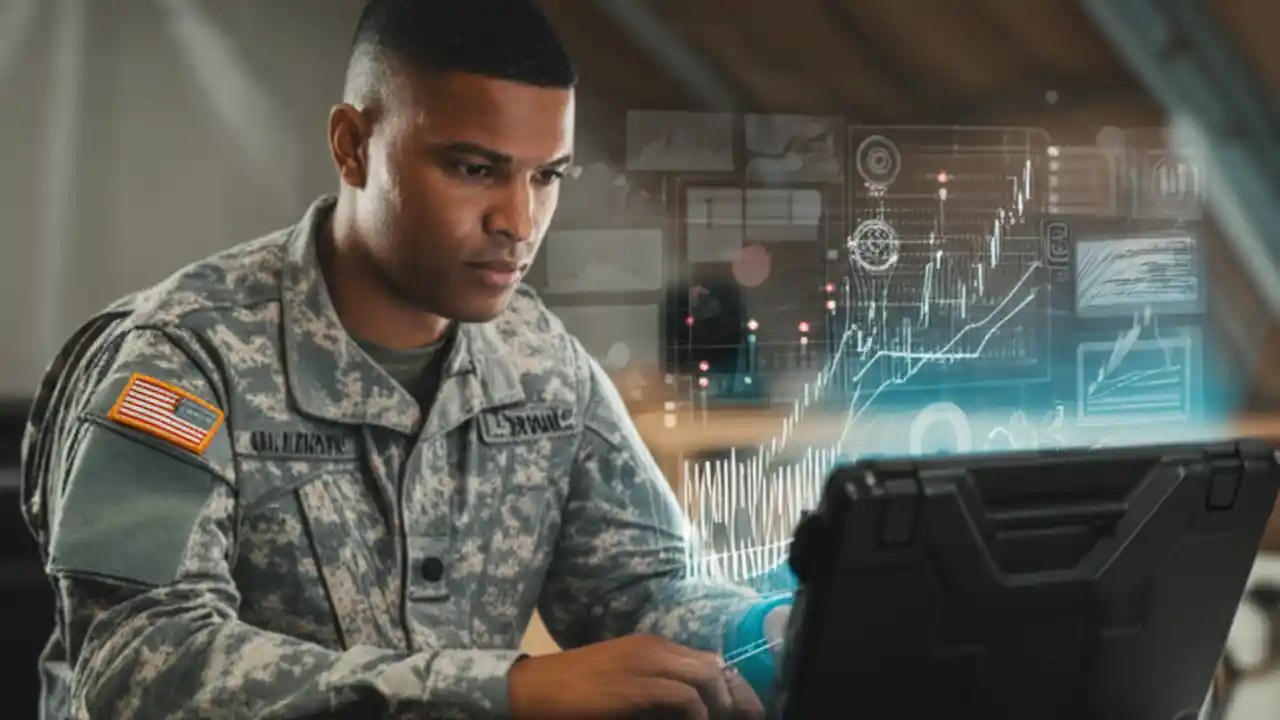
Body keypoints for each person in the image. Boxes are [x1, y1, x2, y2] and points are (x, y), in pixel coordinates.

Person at [19, 1, 790, 718]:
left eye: (546, 176)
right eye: (473, 168)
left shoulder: (541, 363)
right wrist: (505, 692)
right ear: (353, 146)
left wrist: (787, 631)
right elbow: (142, 662)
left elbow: (643, 591)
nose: (519, 222)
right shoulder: (183, 359)